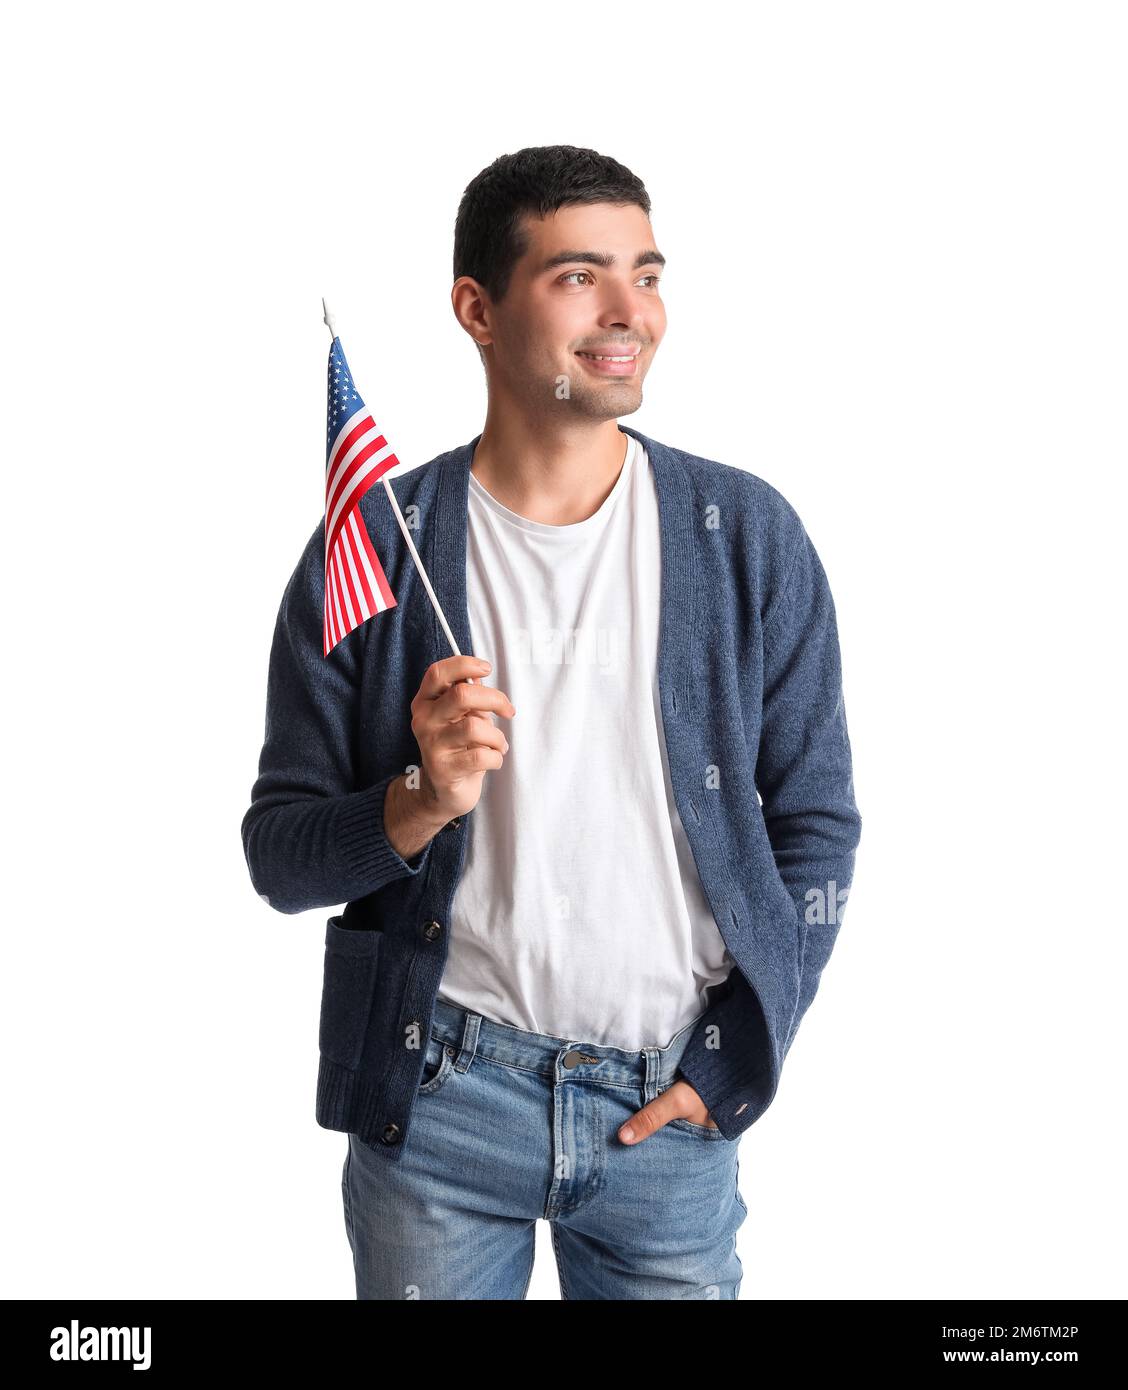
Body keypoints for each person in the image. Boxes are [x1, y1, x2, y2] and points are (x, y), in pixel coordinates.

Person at [240, 145, 862, 1300]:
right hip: (438, 1104)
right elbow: (278, 859)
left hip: (669, 1111)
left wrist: (739, 1047)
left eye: (650, 273)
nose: (632, 313)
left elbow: (815, 828)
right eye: (581, 276)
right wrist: (418, 801)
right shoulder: (382, 546)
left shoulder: (748, 537)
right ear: (477, 308)